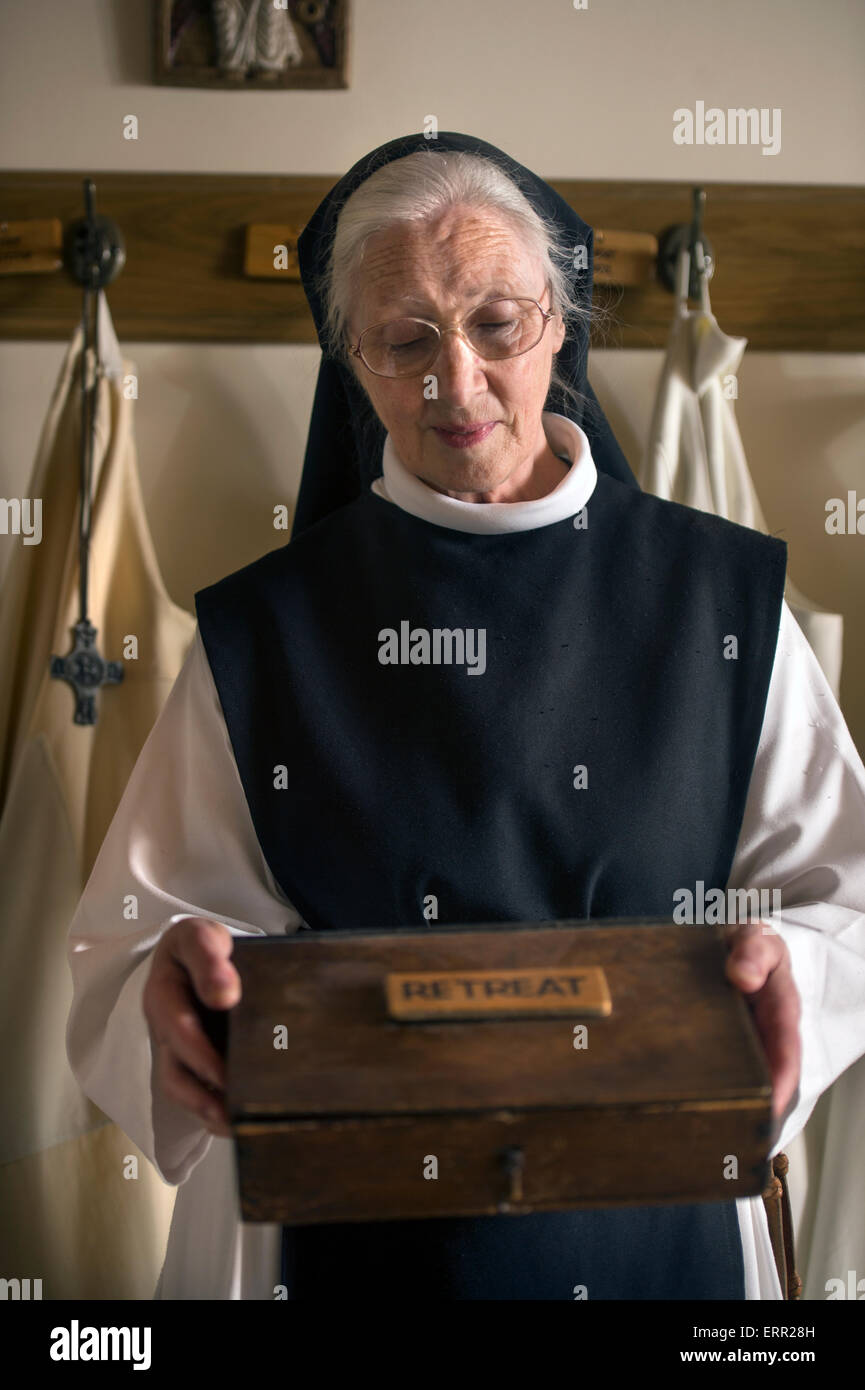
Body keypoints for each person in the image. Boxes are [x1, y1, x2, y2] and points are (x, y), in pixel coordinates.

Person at [66, 131, 865, 1300]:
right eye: (404, 339)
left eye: (497, 323)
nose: (456, 382)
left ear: (559, 321)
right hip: (337, 1239)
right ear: (351, 358)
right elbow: (137, 938)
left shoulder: (719, 601)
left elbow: (844, 895)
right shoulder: (266, 631)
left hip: (666, 1232)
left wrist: (781, 967)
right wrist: (170, 987)